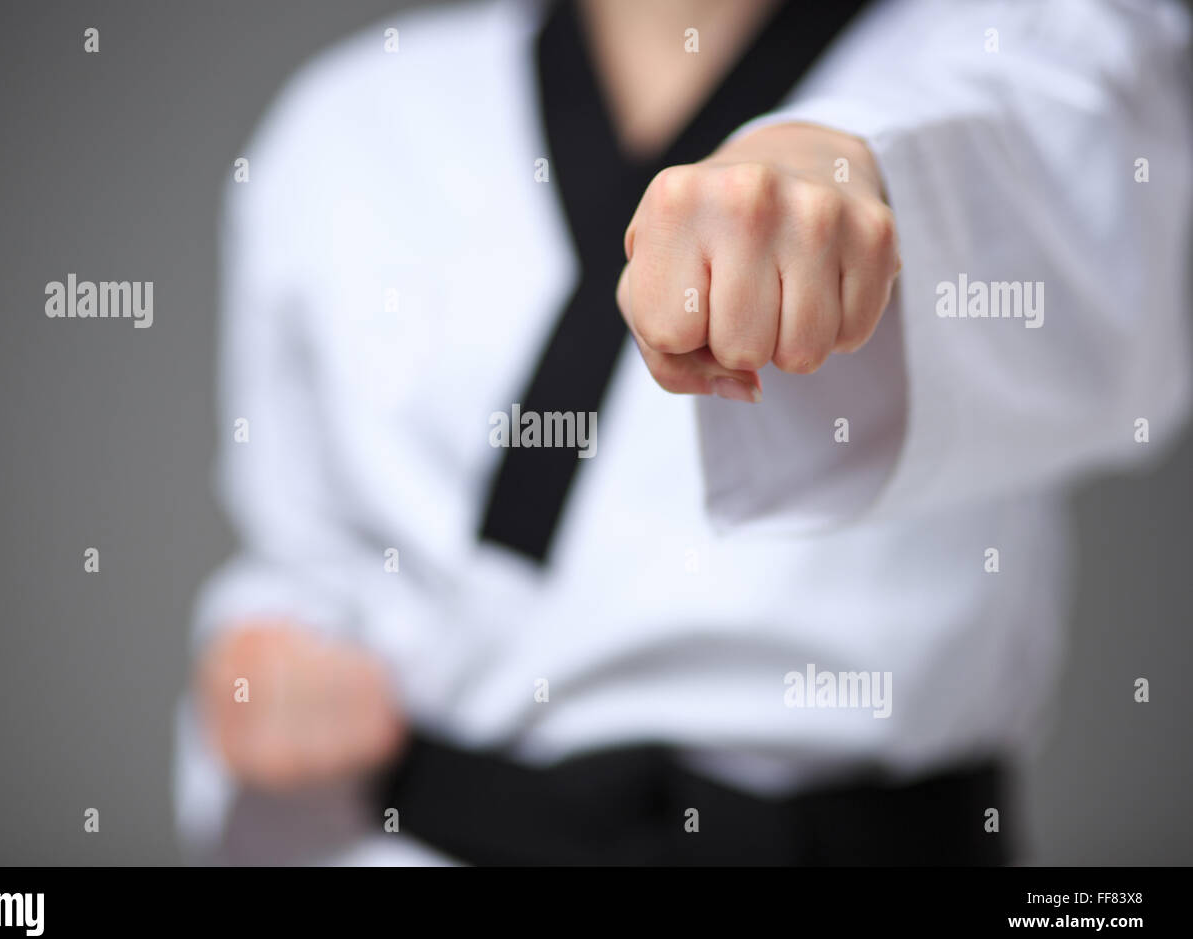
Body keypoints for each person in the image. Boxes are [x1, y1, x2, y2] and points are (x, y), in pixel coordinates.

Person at [174, 0, 1193, 865]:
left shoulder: (1044, 50)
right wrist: (262, 656)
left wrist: (851, 168)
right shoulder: (353, 118)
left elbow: (1118, 261)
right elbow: (304, 552)